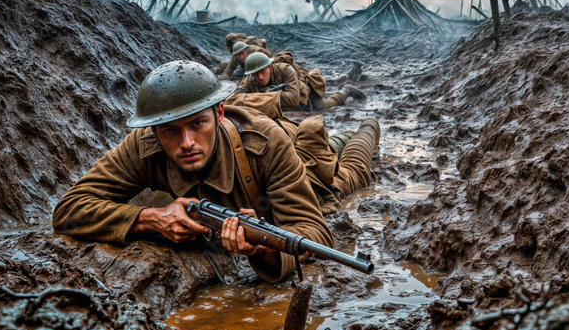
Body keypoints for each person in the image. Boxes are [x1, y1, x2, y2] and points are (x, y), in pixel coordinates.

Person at [52, 61, 332, 283]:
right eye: (170, 130)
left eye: (198, 124)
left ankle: (367, 128)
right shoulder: (144, 145)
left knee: (347, 166)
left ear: (219, 113)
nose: (186, 143)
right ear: (153, 129)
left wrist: (262, 248)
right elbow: (70, 209)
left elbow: (315, 231)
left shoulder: (266, 142)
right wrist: (151, 218)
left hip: (307, 168)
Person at [234, 51, 365, 112]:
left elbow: (293, 99)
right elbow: (235, 99)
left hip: (306, 95)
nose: (260, 76)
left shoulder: (285, 69)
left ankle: (347, 89)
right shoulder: (250, 79)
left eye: (263, 71)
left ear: (270, 66)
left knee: (325, 106)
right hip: (284, 104)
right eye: (255, 74)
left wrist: (266, 95)